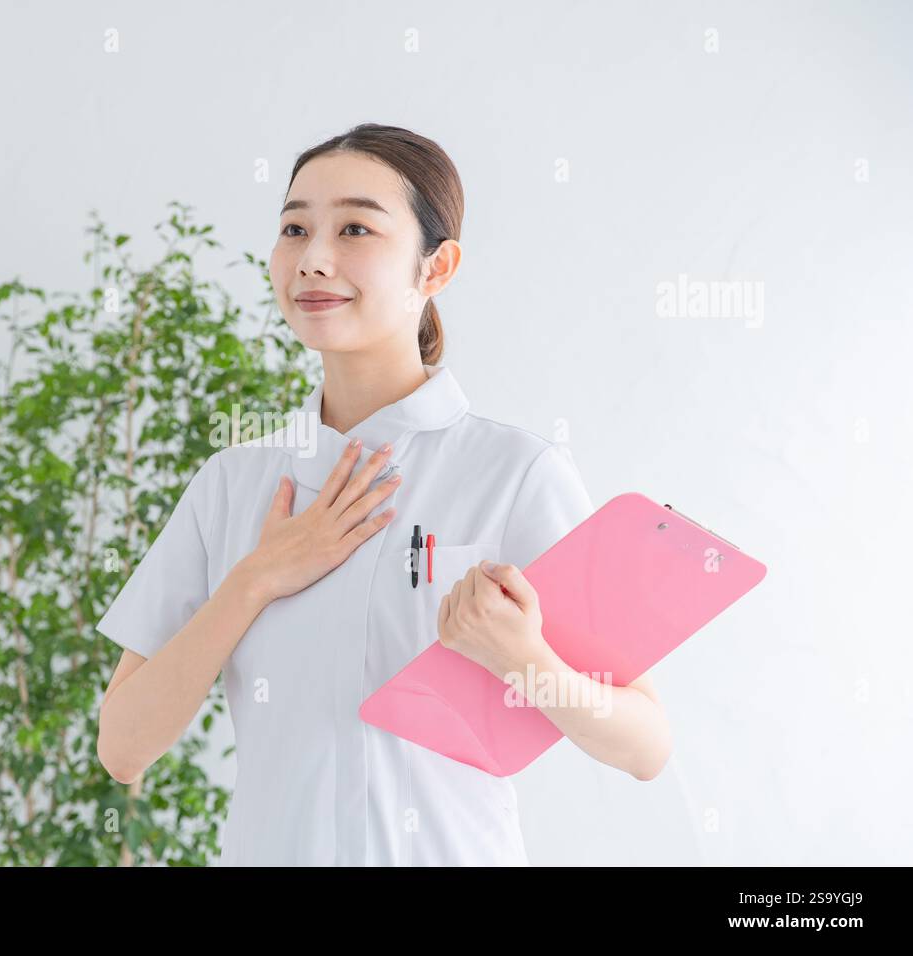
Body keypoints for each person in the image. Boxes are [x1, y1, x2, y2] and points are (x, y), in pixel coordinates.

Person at [96, 123, 671, 866]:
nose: (313, 259)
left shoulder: (513, 474)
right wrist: (258, 578)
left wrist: (524, 658)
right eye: (294, 228)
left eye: (356, 228)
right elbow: (123, 747)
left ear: (435, 268)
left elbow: (647, 745)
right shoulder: (232, 486)